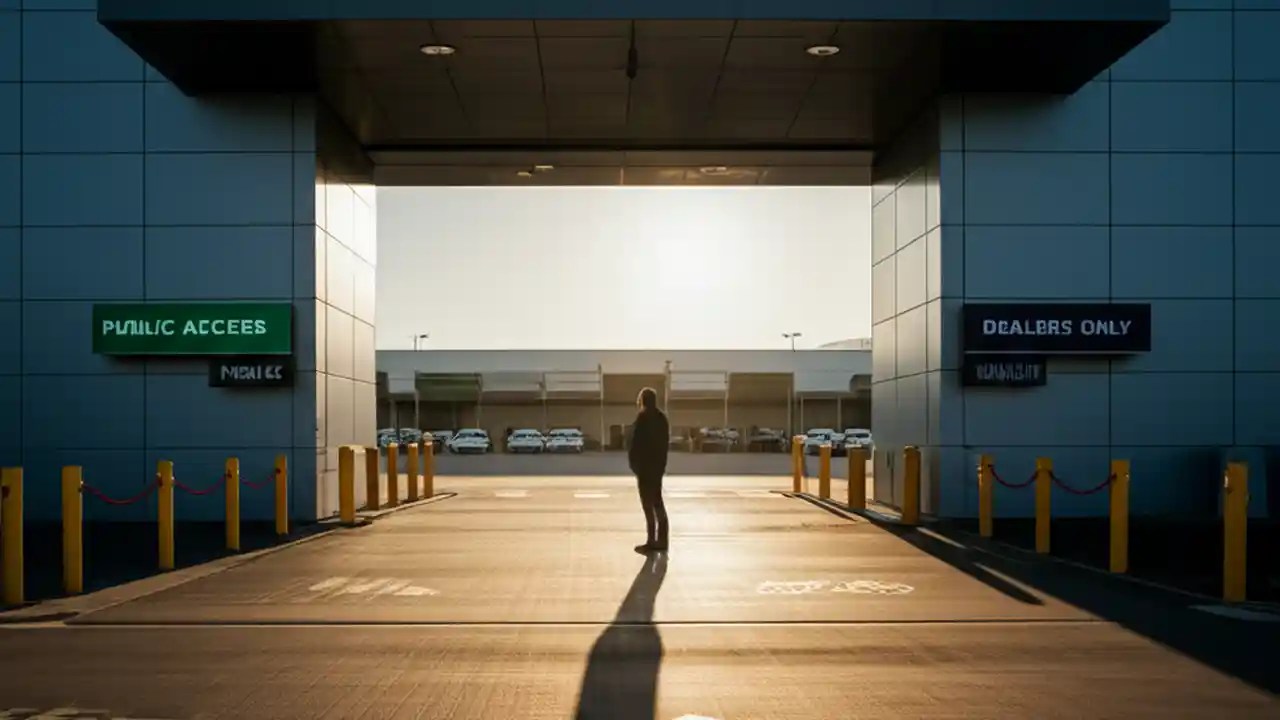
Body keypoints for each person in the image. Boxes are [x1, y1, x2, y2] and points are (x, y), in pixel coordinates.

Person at [627, 387, 670, 553]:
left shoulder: (642, 418)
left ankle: (651, 540)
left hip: (644, 470)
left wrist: (635, 466)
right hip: (657, 469)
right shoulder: (662, 419)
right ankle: (663, 540)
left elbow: (635, 445)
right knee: (658, 504)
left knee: (648, 506)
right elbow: (664, 445)